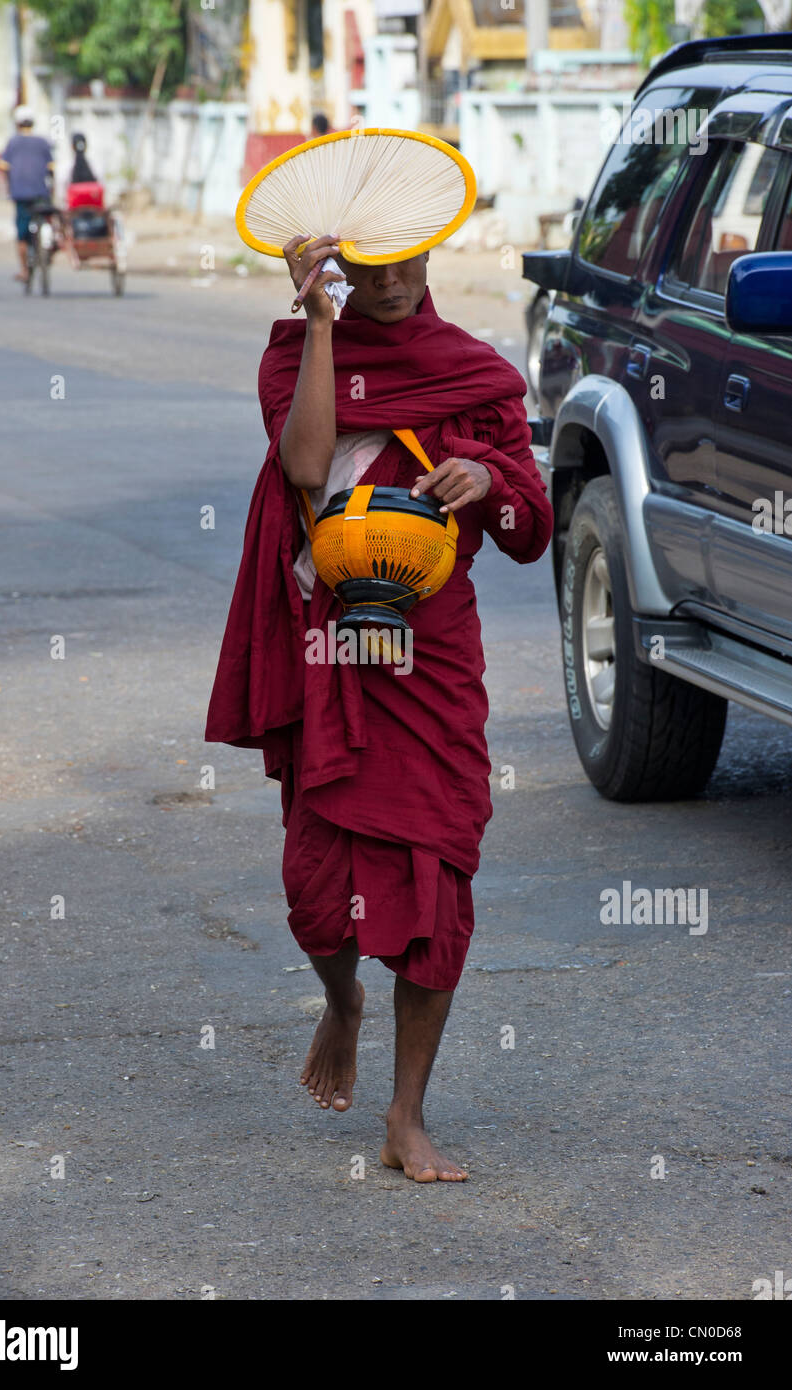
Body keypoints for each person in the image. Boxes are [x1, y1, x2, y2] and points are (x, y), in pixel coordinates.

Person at [205, 234, 553, 1182]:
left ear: (432, 260)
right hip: (330, 645)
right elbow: (307, 466)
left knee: (436, 873)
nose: (392, 285)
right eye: (370, 270)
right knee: (317, 894)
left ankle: (406, 1114)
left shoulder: (472, 374)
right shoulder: (295, 354)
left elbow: (528, 529)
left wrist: (486, 477)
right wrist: (320, 325)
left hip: (429, 655)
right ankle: (340, 998)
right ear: (341, 274)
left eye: (406, 265)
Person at [0, 105, 54, 282]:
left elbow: (3, 166)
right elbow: (51, 169)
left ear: (17, 124)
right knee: (47, 220)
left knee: (21, 233)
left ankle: (24, 271)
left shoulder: (13, 142)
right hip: (41, 194)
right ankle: (47, 248)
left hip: (20, 195)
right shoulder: (42, 142)